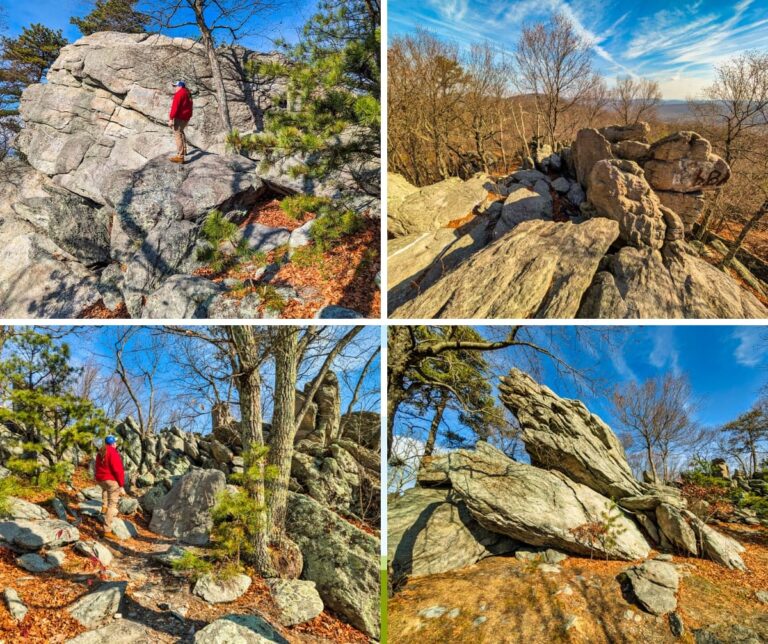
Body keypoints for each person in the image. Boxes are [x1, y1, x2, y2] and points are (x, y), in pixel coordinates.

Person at [94, 435, 125, 536]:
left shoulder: (101, 451)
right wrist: (121, 485)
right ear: (113, 443)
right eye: (115, 442)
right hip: (111, 480)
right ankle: (107, 530)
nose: (116, 444)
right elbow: (118, 470)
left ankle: (104, 507)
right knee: (112, 505)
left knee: (105, 489)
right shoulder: (113, 452)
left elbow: (96, 466)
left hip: (100, 479)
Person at [168, 80, 193, 164]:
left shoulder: (179, 94)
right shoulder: (187, 93)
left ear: (180, 86)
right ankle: (184, 150)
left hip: (180, 117)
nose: (175, 88)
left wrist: (171, 119)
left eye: (175, 86)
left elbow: (175, 107)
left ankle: (180, 156)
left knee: (177, 133)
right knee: (181, 131)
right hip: (186, 117)